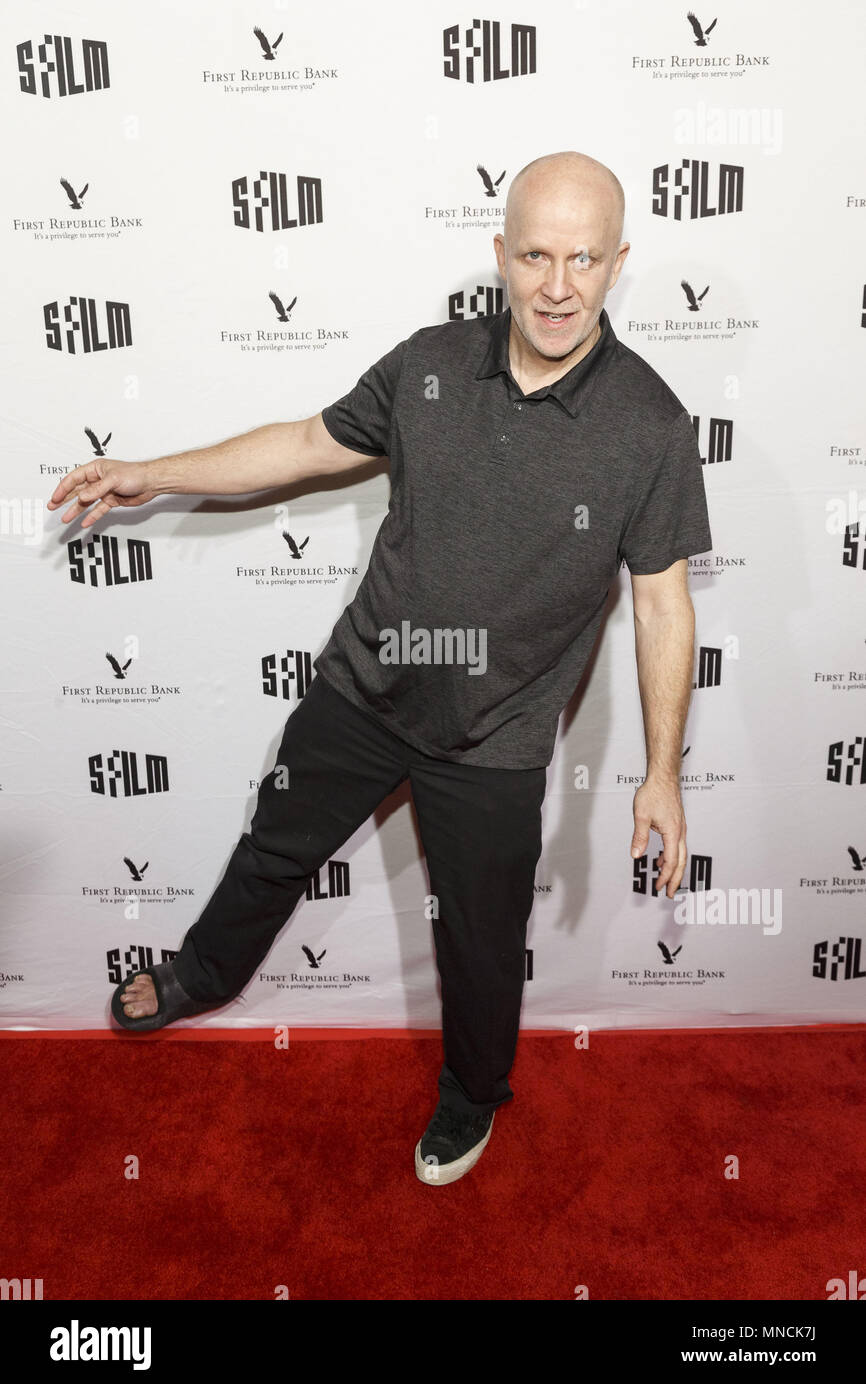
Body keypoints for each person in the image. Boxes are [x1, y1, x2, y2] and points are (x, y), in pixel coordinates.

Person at [47, 150, 712, 1186]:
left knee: (483, 948)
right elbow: (307, 444)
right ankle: (204, 972)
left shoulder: (651, 426)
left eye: (582, 259)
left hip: (496, 736)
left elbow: (663, 601)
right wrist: (153, 471)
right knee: (272, 846)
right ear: (499, 252)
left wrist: (663, 770)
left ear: (617, 261)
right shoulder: (430, 362)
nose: (554, 285)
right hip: (364, 684)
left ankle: (470, 1098)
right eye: (534, 253)